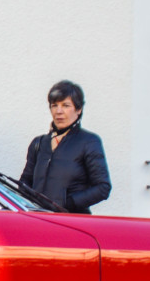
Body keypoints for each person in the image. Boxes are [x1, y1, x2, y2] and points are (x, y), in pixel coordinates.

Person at [20, 80, 110, 213]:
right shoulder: (38, 143)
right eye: (54, 105)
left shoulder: (89, 141)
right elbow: (25, 182)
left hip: (72, 222)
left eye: (66, 105)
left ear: (78, 109)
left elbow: (103, 187)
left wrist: (68, 203)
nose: (59, 111)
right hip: (39, 222)